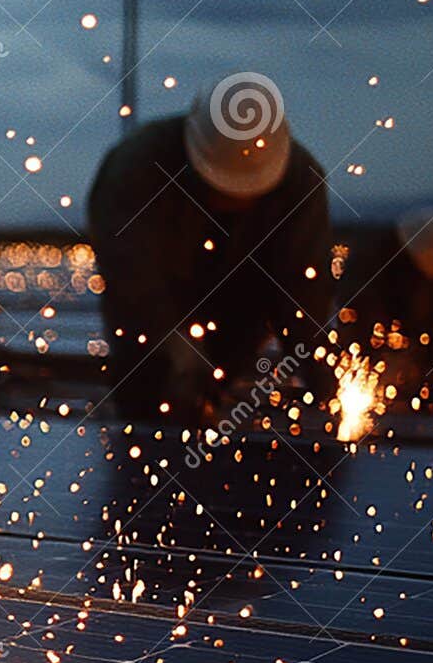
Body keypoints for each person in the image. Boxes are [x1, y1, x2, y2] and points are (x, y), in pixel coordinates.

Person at [88, 75, 331, 422]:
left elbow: (304, 288)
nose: (234, 200)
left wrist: (322, 382)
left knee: (212, 397)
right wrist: (175, 344)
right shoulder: (136, 167)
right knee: (150, 391)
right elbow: (131, 276)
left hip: (241, 302)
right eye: (223, 189)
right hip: (152, 305)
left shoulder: (301, 182)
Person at [336, 205, 433, 391]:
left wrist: (419, 354)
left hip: (415, 360)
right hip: (367, 358)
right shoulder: (367, 265)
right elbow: (356, 315)